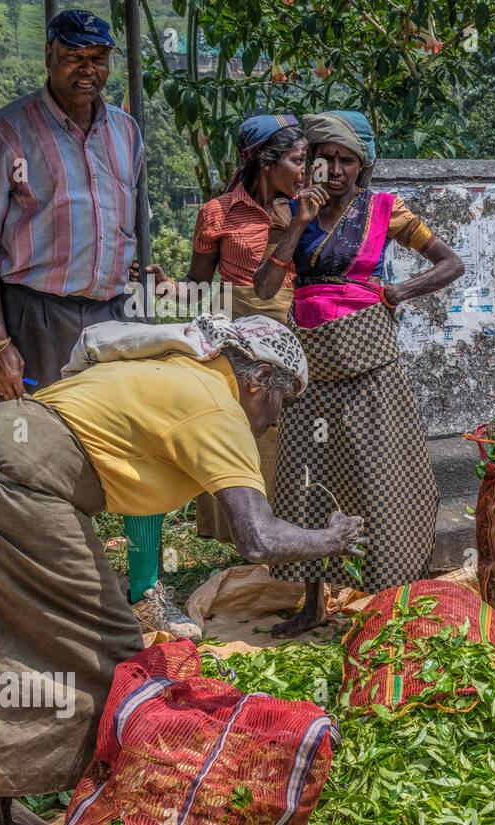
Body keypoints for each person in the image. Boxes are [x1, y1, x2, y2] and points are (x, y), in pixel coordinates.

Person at [0, 314, 367, 825]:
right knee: (110, 654)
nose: (275, 422)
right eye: (282, 404)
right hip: (22, 482)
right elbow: (256, 538)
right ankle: (137, 807)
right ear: (257, 381)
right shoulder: (215, 404)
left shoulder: (174, 369)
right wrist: (330, 538)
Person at [0, 11, 205, 638]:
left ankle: (145, 590)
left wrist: (146, 279)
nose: (89, 69)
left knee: (140, 441)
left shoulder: (126, 131)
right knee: (25, 455)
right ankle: (30, 606)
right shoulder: (6, 133)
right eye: (75, 56)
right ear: (50, 56)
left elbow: (131, 223)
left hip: (114, 312)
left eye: (99, 58)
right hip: (36, 311)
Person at [252, 110, 465, 638]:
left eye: (347, 159)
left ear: (362, 166)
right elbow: (261, 287)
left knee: (382, 479)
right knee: (307, 478)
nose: (335, 167)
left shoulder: (387, 212)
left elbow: (450, 263)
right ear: (312, 164)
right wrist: (300, 220)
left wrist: (397, 293)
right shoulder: (287, 213)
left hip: (369, 364)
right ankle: (312, 602)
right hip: (310, 368)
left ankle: (386, 601)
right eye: (325, 157)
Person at [139, 115, 308, 549]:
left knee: (287, 435)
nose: (305, 171)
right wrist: (168, 288)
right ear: (266, 163)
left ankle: (289, 544)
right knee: (237, 426)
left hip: (291, 334)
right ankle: (245, 539)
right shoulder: (217, 214)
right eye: (297, 160)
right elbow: (200, 287)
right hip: (236, 340)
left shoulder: (306, 210)